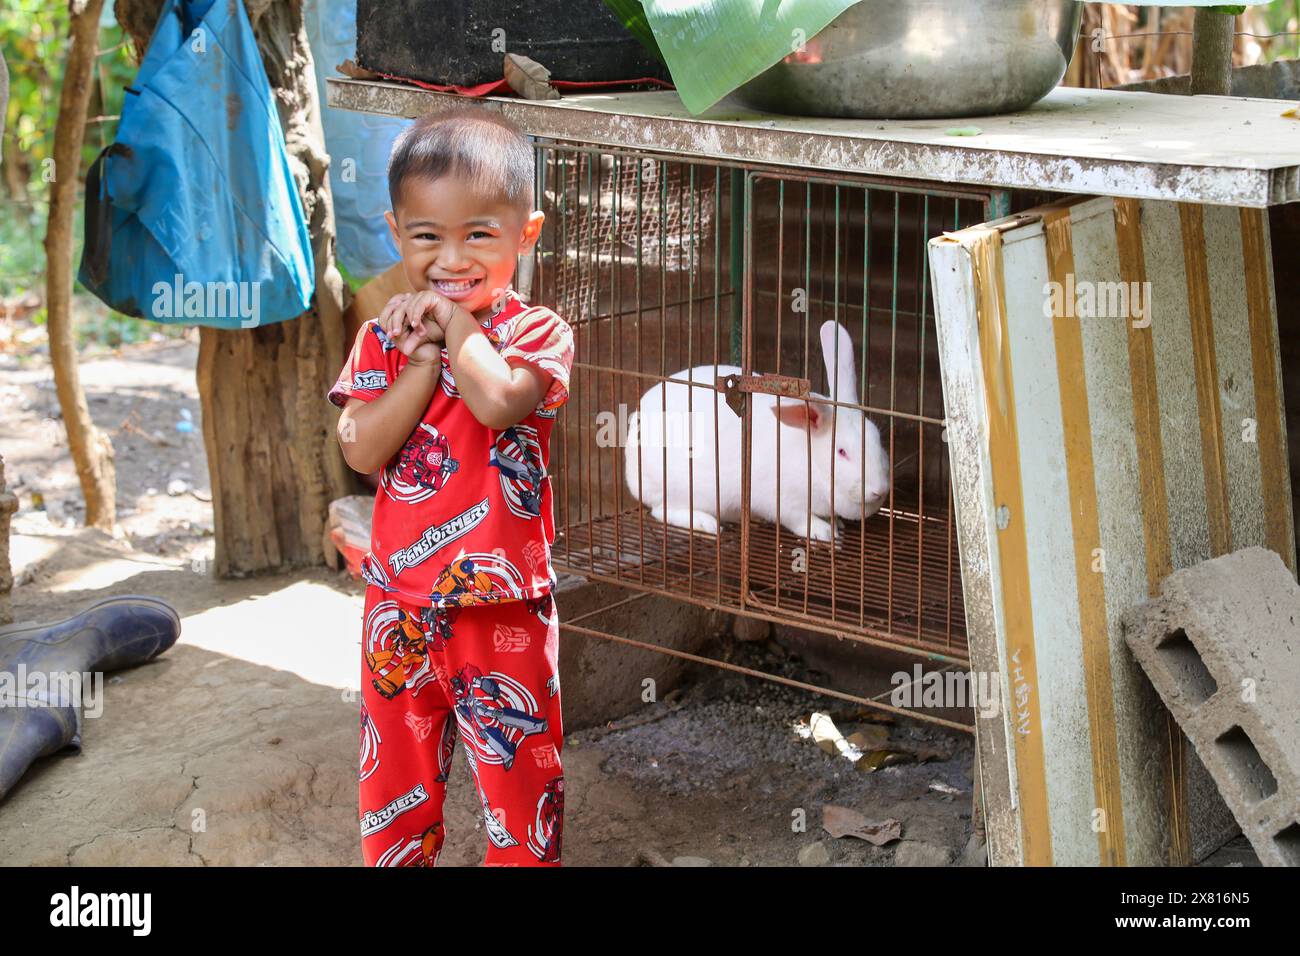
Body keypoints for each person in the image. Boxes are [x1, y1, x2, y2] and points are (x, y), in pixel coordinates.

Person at [327, 108, 573, 867]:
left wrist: (451, 325)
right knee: (394, 792)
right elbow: (361, 447)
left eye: (480, 235)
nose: (452, 259)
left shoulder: (537, 333)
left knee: (520, 791)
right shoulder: (383, 339)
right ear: (396, 233)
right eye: (428, 236)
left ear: (526, 234)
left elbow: (498, 401)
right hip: (396, 605)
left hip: (503, 610)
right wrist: (422, 362)